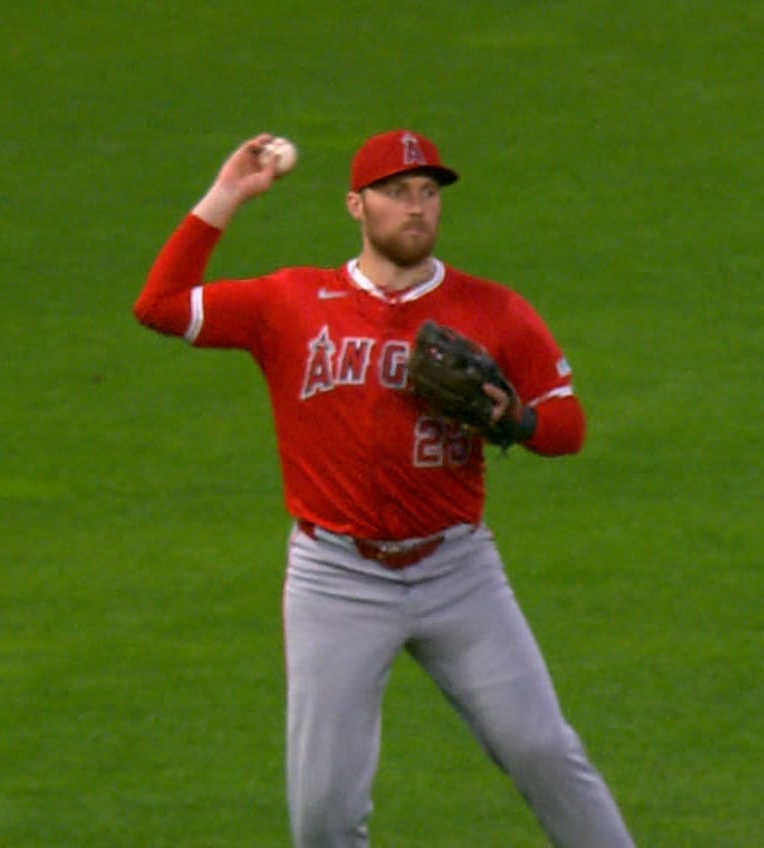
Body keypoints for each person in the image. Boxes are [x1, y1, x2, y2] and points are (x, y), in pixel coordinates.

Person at [134, 130, 635, 848]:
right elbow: (159, 303)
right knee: (323, 816)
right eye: (396, 192)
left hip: (457, 570)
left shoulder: (492, 309)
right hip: (335, 579)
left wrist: (517, 420)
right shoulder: (290, 300)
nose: (416, 206)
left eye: (428, 192)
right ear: (356, 206)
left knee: (544, 752)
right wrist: (229, 194)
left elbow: (569, 426)